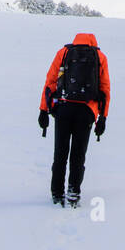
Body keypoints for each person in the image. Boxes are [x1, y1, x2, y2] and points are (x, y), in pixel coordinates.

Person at [39, 31, 110, 206]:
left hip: (64, 108)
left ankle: (57, 193)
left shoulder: (63, 53)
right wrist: (103, 117)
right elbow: (105, 89)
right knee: (78, 155)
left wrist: (43, 109)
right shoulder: (100, 57)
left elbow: (50, 81)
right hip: (86, 111)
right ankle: (73, 192)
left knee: (60, 153)